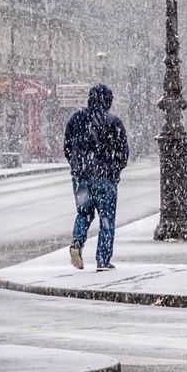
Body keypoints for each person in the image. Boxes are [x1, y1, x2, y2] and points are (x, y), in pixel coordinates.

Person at [64, 84, 130, 271]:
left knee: (83, 213)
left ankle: (77, 243)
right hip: (105, 177)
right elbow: (123, 152)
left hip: (81, 177)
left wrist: (77, 166)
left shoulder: (76, 119)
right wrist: (114, 170)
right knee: (106, 218)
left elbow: (67, 147)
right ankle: (103, 259)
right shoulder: (113, 122)